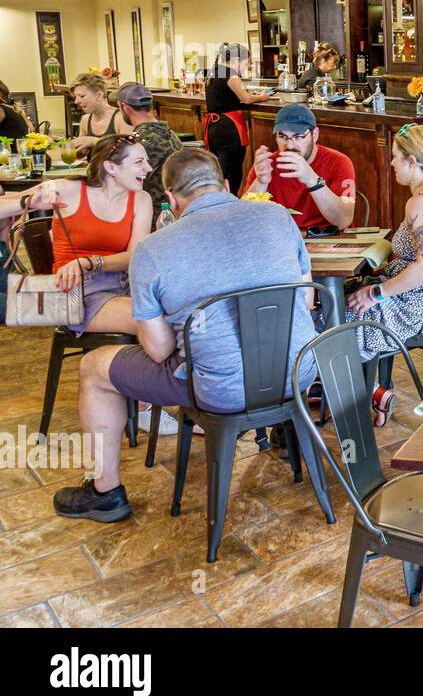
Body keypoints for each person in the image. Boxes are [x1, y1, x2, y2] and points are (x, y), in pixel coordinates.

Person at [51, 148, 319, 523]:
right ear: (226, 185)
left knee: (93, 367)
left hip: (220, 390)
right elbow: (305, 300)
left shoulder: (153, 249)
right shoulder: (278, 217)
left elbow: (159, 351)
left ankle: (104, 491)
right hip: (299, 371)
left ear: (172, 201)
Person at [346, 125, 423, 420]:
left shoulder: (421, 203)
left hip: (418, 307)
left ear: (412, 161)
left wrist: (376, 292)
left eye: (395, 157)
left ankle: (363, 397)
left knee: (335, 317)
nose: (391, 163)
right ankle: (375, 389)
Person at [0, 134, 153, 336]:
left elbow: (134, 257)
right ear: (111, 168)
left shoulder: (141, 199)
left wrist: (89, 262)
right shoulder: (69, 189)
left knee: (176, 315)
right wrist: (28, 203)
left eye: (147, 161)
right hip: (76, 293)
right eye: (139, 162)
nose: (149, 168)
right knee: (152, 324)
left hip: (126, 284)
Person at [241, 104, 355, 234]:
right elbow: (243, 220)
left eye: (298, 137)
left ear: (315, 134)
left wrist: (312, 180)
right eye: (282, 136)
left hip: (325, 238)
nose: (289, 145)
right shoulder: (266, 165)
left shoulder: (339, 162)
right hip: (282, 241)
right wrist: (260, 182)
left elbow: (344, 220)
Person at [202, 41, 272, 192]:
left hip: (214, 128)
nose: (246, 67)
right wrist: (263, 97)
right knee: (232, 175)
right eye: (247, 63)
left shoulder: (213, 72)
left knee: (220, 172)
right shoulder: (231, 75)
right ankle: (228, 207)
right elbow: (245, 99)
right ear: (237, 60)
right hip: (229, 129)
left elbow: (229, 97)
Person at [115, 82, 183, 223]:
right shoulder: (172, 136)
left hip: (152, 220)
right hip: (178, 214)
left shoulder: (137, 143)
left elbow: (120, 185)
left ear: (125, 108)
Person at [68, 73, 131, 154]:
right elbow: (81, 154)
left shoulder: (121, 118)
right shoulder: (85, 120)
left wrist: (95, 141)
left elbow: (128, 151)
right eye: (75, 97)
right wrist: (72, 148)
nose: (76, 101)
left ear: (98, 95)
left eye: (82, 96)